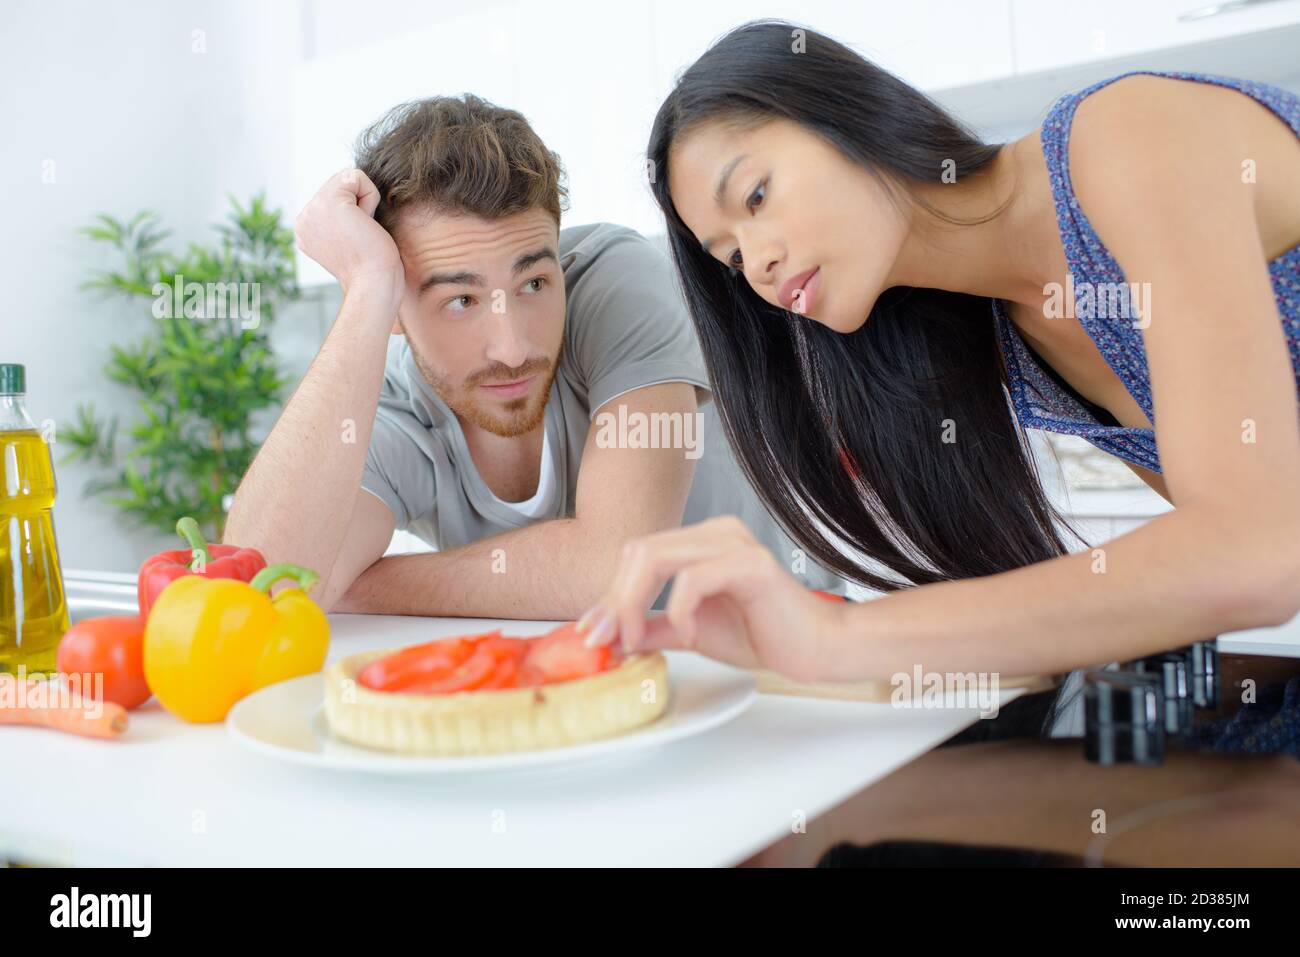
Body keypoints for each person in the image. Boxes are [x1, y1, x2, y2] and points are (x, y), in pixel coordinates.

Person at [579, 21, 1300, 729]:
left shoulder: (1126, 134)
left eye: (757, 197)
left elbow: (1254, 553)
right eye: (731, 257)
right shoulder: (1007, 341)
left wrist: (834, 640)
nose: (758, 264)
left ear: (845, 116)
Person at [224, 93, 843, 617]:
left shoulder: (612, 280)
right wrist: (366, 293)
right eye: (460, 299)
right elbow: (262, 586)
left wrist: (358, 586)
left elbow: (615, 569)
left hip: (784, 673)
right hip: (578, 707)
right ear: (395, 308)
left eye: (533, 285)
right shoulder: (390, 408)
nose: (514, 347)